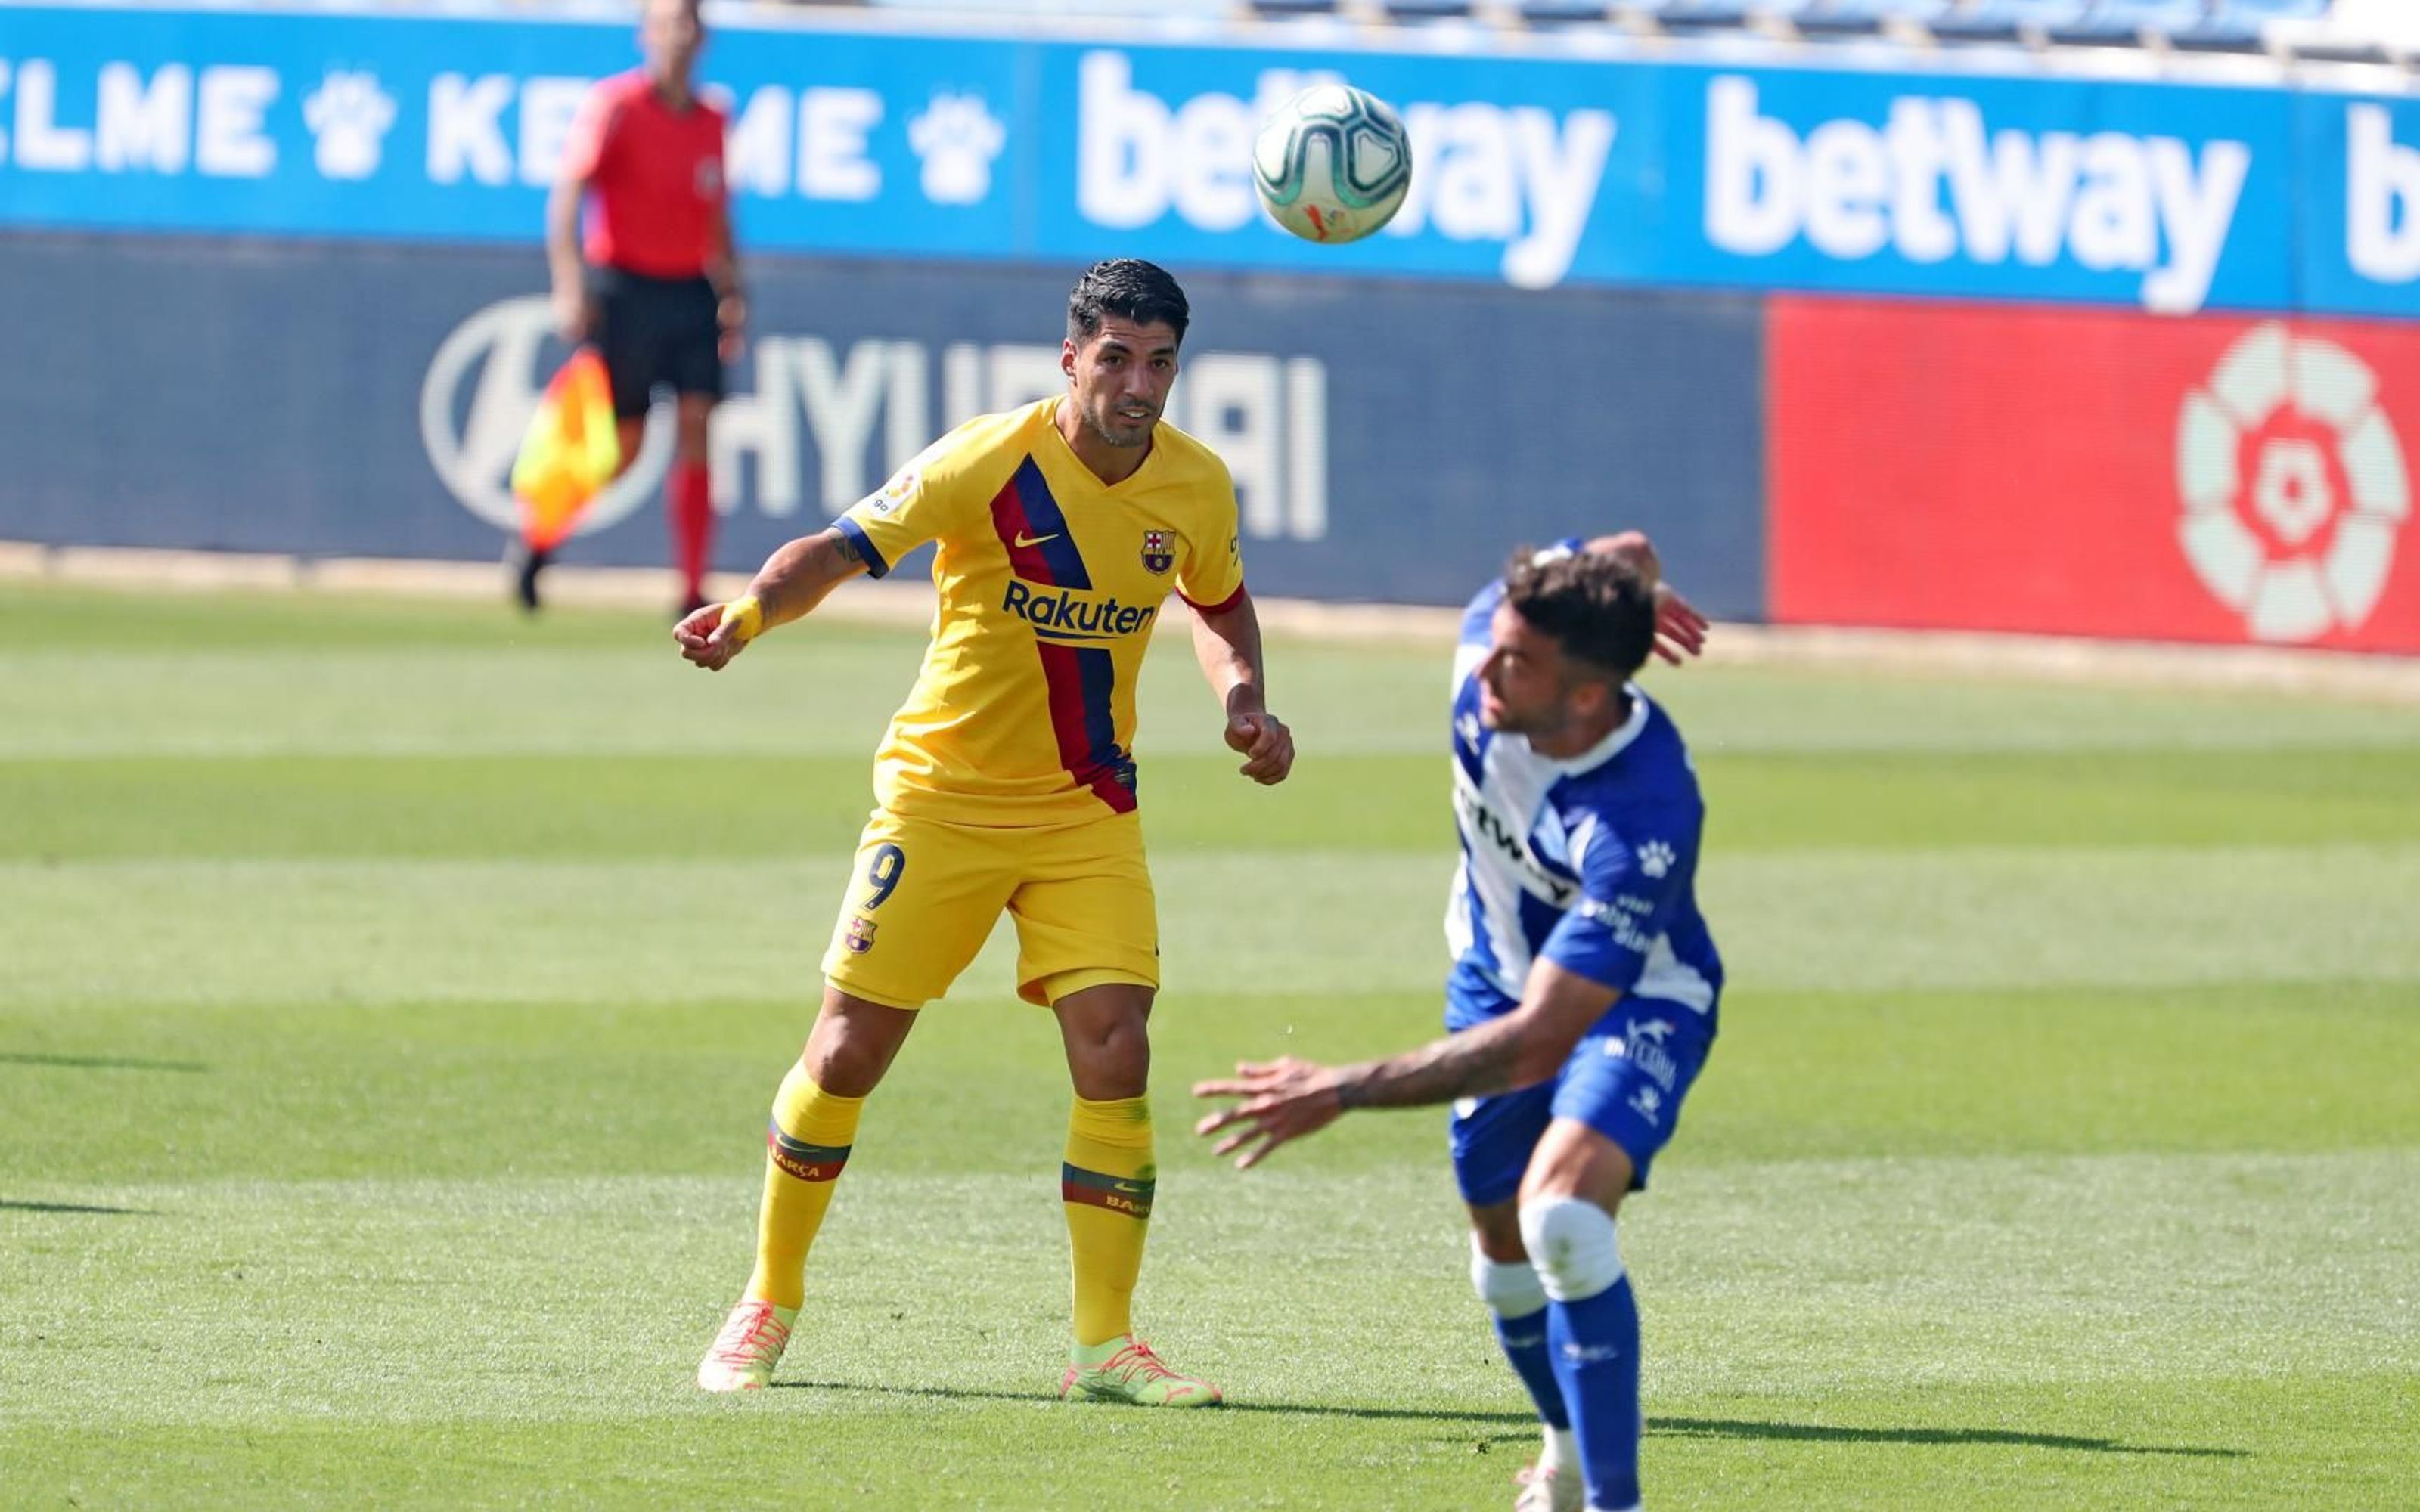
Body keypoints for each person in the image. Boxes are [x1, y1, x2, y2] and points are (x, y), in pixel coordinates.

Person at [677, 259, 1293, 1405]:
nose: (1138, 385)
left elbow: (1217, 601)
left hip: (1085, 808)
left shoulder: (1196, 486)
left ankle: (1104, 1345)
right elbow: (841, 546)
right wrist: (750, 614)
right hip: (943, 798)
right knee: (848, 1052)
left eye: (1160, 363)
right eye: (1116, 358)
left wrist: (1242, 697)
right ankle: (767, 1298)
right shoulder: (989, 460)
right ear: (1072, 358)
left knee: (1118, 1044)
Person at [1193, 535, 1717, 1512]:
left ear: (1588, 699)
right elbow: (1615, 551)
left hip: (1634, 1002)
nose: (1482, 665)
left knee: (1560, 1213)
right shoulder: (1497, 643)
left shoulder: (1642, 814)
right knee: (1501, 1251)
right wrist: (1635, 570)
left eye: (1517, 661)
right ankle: (1562, 1451)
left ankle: (1614, 1500)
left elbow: (1541, 1042)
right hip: (1493, 977)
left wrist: (1340, 1089)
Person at [523, 0, 744, 616]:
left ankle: (693, 586)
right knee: (622, 446)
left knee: (699, 425)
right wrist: (570, 283)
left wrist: (733, 292)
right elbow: (570, 192)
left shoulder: (712, 118)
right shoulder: (617, 106)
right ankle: (539, 540)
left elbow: (717, 212)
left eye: (691, 22)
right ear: (648, 34)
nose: (681, 35)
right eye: (670, 22)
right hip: (627, 288)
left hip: (690, 290)